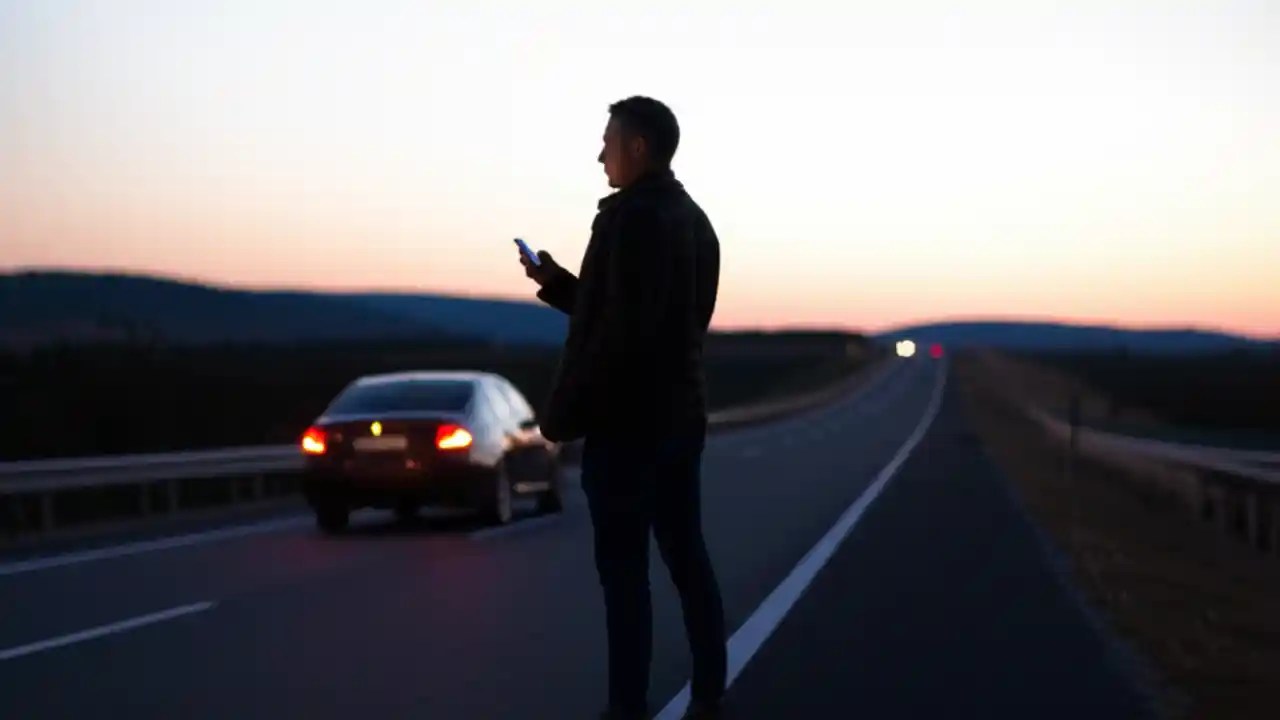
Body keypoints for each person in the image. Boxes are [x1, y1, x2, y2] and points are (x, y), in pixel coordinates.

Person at [519, 95, 727, 720]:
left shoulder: (626, 219)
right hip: (681, 417)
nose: (600, 153)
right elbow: (651, 319)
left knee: (624, 575)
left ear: (638, 148)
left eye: (608, 140)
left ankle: (626, 708)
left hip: (628, 427)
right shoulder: (696, 221)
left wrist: (565, 416)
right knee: (687, 557)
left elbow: (614, 336)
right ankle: (711, 693)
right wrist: (558, 285)